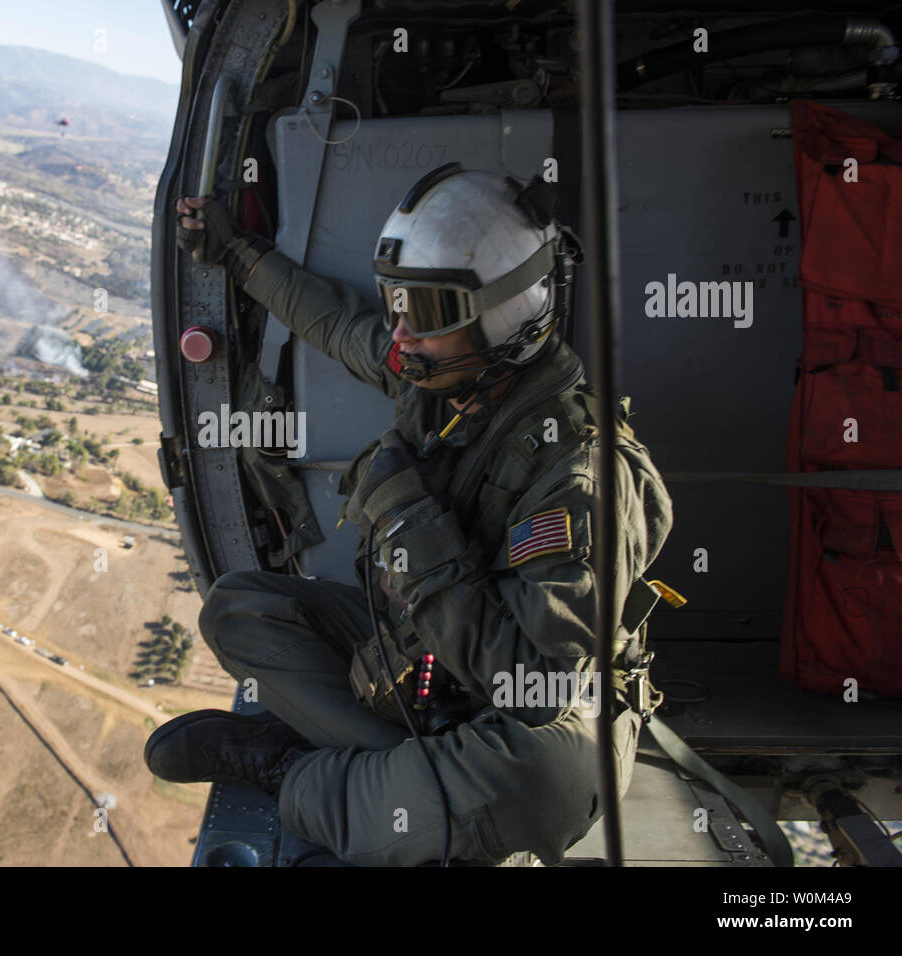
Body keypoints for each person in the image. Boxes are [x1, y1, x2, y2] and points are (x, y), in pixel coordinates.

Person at [144, 164, 674, 866]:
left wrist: (408, 519)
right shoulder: (441, 378)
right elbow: (334, 322)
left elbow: (533, 686)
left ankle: (291, 773)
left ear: (505, 316)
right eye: (397, 304)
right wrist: (236, 253)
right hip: (424, 656)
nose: (400, 335)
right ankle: (413, 781)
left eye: (421, 314)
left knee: (544, 781)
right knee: (238, 607)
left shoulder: (580, 473)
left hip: (524, 708)